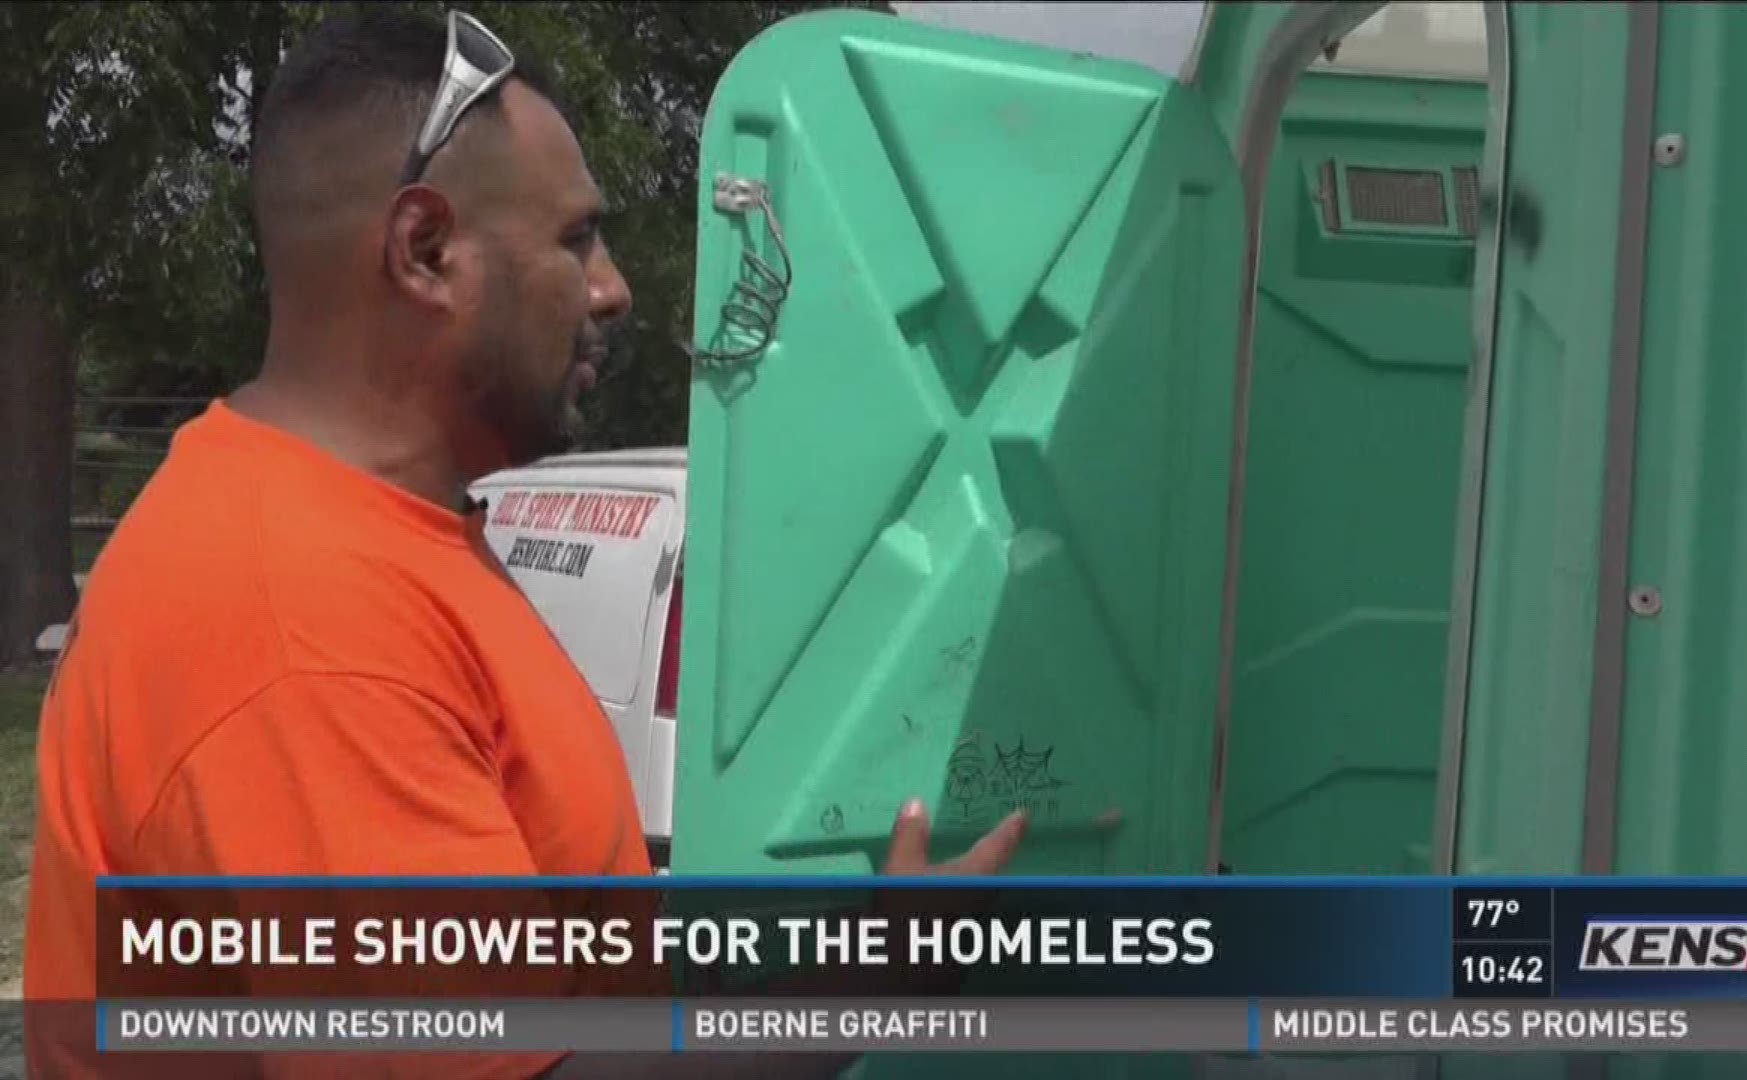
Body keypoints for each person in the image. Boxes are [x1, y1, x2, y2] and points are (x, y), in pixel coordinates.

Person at [23, 9, 1027, 1078]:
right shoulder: (302, 627)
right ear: (425, 251)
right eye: (574, 238)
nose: (612, 288)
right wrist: (881, 978)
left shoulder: (365, 529)